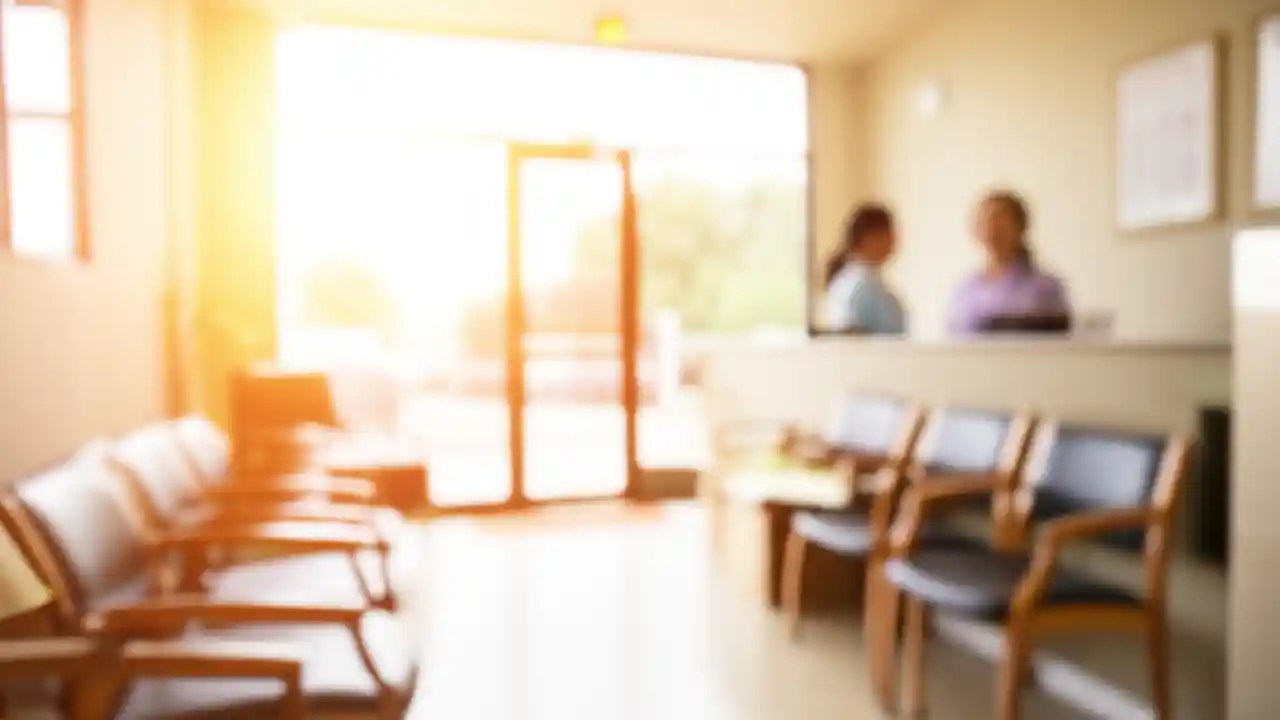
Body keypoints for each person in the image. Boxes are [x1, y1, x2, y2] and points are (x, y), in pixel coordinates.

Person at [948, 191, 1070, 335]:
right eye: (984, 222)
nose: (991, 229)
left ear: (1021, 227)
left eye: (998, 220)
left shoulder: (1045, 288)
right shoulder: (965, 289)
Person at [822, 204, 905, 335]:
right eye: (889, 234)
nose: (894, 241)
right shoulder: (861, 287)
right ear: (869, 238)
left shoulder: (852, 280)